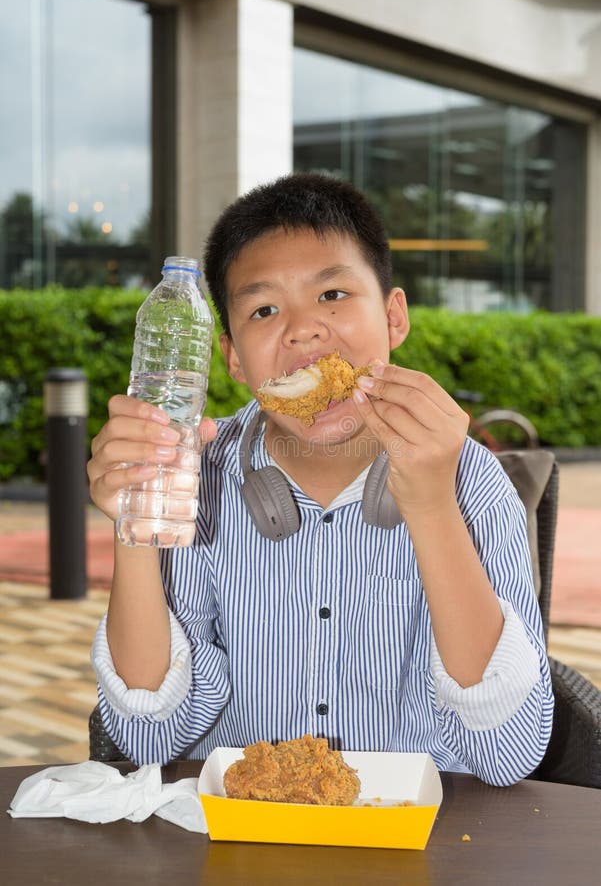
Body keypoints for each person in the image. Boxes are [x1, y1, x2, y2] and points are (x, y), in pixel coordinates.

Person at [88, 173, 553, 786]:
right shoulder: (193, 475)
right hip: (242, 837)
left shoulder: (473, 480)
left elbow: (506, 755)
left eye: (332, 294)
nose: (303, 329)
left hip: (416, 844)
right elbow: (150, 737)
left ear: (394, 317)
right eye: (264, 309)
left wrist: (434, 505)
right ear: (231, 358)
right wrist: (138, 514)